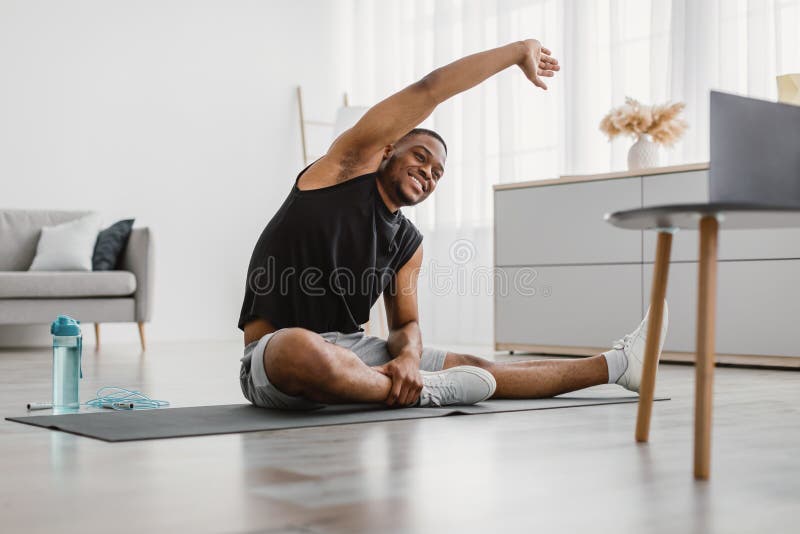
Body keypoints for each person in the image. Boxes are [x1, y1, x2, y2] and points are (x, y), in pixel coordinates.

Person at [238, 39, 668, 410]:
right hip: (275, 358)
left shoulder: (409, 244)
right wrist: (517, 52)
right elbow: (431, 89)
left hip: (352, 355)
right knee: (300, 346)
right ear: (386, 152)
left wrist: (407, 359)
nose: (429, 172)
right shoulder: (342, 171)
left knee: (477, 368)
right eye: (420, 157)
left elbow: (405, 326)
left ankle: (619, 365)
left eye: (438, 172)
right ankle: (423, 392)